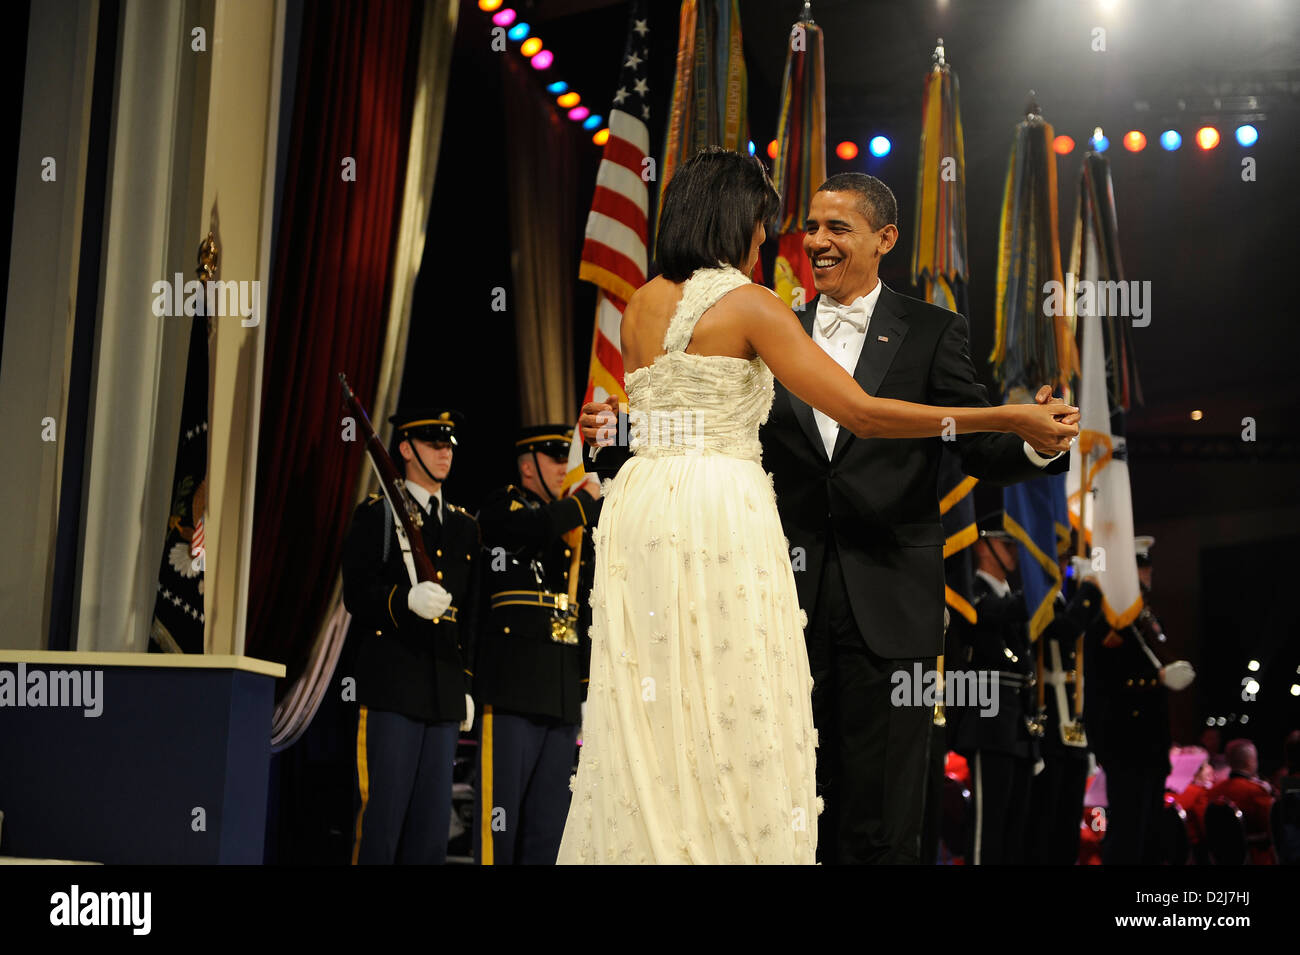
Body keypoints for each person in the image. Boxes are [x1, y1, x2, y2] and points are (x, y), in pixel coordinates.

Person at [558, 147, 1077, 864]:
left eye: (838, 227)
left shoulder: (646, 303)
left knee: (837, 794)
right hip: (757, 579)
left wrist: (1027, 439)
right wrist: (1011, 413)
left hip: (861, 589)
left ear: (885, 239)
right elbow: (861, 413)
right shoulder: (760, 311)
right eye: (801, 225)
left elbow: (670, 422)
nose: (806, 241)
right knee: (760, 769)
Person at [341, 408, 479, 864]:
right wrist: (404, 600)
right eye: (434, 443)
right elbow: (356, 595)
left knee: (430, 834)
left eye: (449, 445)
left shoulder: (463, 525)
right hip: (392, 689)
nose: (445, 453)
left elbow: (470, 615)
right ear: (405, 449)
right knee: (381, 823)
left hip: (442, 694)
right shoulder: (379, 517)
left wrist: (465, 685)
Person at [472, 426, 602, 864]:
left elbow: (581, 612)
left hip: (560, 694)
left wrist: (584, 690)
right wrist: (583, 502)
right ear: (528, 467)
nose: (565, 467)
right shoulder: (505, 506)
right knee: (500, 822)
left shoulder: (572, 535)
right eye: (554, 458)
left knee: (548, 830)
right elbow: (531, 528)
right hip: (513, 689)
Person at [1085, 535, 1194, 865]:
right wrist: (1155, 679)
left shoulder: (1143, 617)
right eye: (1141, 566)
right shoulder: (1109, 617)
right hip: (1126, 742)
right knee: (1127, 835)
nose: (1148, 573)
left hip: (1150, 743)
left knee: (1148, 835)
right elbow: (1104, 676)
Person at [948, 517, 1036, 865]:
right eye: (1007, 545)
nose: (1015, 554)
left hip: (1019, 723)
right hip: (989, 722)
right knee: (989, 826)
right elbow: (996, 614)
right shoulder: (974, 593)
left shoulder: (1011, 600)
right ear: (983, 546)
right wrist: (1042, 583)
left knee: (1016, 829)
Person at [1027, 557, 1105, 864]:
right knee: (1044, 825)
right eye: (1053, 559)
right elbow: (1067, 628)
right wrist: (1089, 590)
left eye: (1063, 561)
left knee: (1068, 828)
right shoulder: (1037, 602)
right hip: (1049, 729)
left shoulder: (1065, 602)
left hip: (1073, 730)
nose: (1060, 567)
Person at [1207, 738, 1276, 865]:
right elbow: (1272, 828)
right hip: (1254, 858)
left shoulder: (1213, 791)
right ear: (1250, 761)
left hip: (1221, 859)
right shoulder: (1256, 791)